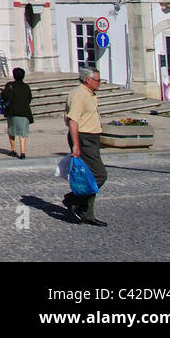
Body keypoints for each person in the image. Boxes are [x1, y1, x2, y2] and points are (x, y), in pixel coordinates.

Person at [62, 68, 108, 227]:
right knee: (99, 175)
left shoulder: (89, 94)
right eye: (97, 80)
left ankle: (87, 213)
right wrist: (76, 145)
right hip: (84, 138)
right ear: (88, 80)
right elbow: (72, 121)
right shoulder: (79, 94)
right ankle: (73, 199)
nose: (99, 83)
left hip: (91, 138)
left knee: (89, 175)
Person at [1, 67, 34, 159]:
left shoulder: (9, 85)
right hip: (24, 112)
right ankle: (22, 152)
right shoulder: (26, 87)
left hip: (12, 111)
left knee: (11, 130)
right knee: (23, 133)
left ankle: (13, 149)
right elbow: (29, 99)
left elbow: (4, 96)